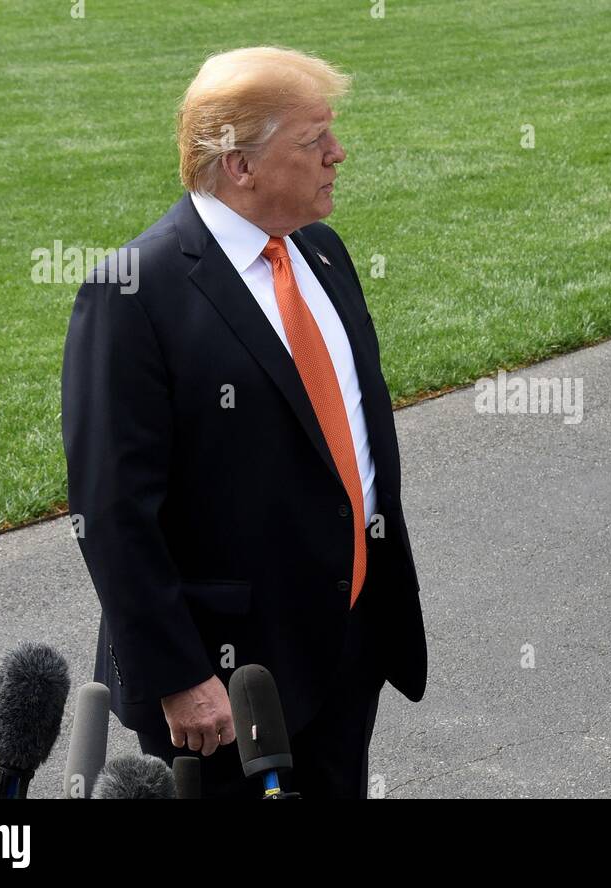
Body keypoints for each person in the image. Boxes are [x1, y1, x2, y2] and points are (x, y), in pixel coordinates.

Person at [62, 46, 426, 798]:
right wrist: (178, 674)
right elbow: (112, 510)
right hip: (226, 687)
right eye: (313, 138)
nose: (338, 152)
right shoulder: (135, 291)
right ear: (239, 165)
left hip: (345, 641)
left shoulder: (320, 253)